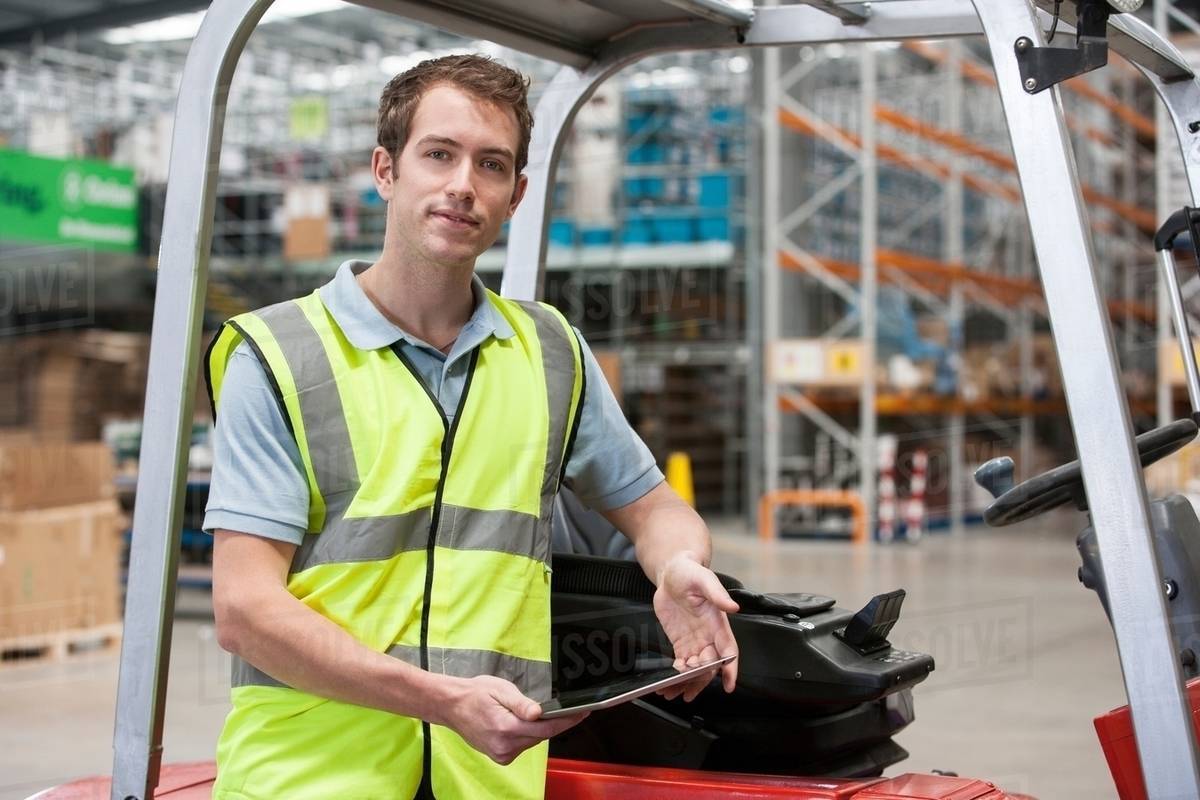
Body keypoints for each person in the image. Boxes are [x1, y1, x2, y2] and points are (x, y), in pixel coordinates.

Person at [203, 53, 738, 800]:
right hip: (310, 777)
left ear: (515, 195)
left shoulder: (551, 353)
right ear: (386, 170)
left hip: (486, 778)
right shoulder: (278, 356)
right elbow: (245, 610)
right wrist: (441, 701)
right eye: (439, 154)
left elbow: (654, 509)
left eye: (491, 165)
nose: (463, 185)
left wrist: (677, 564)